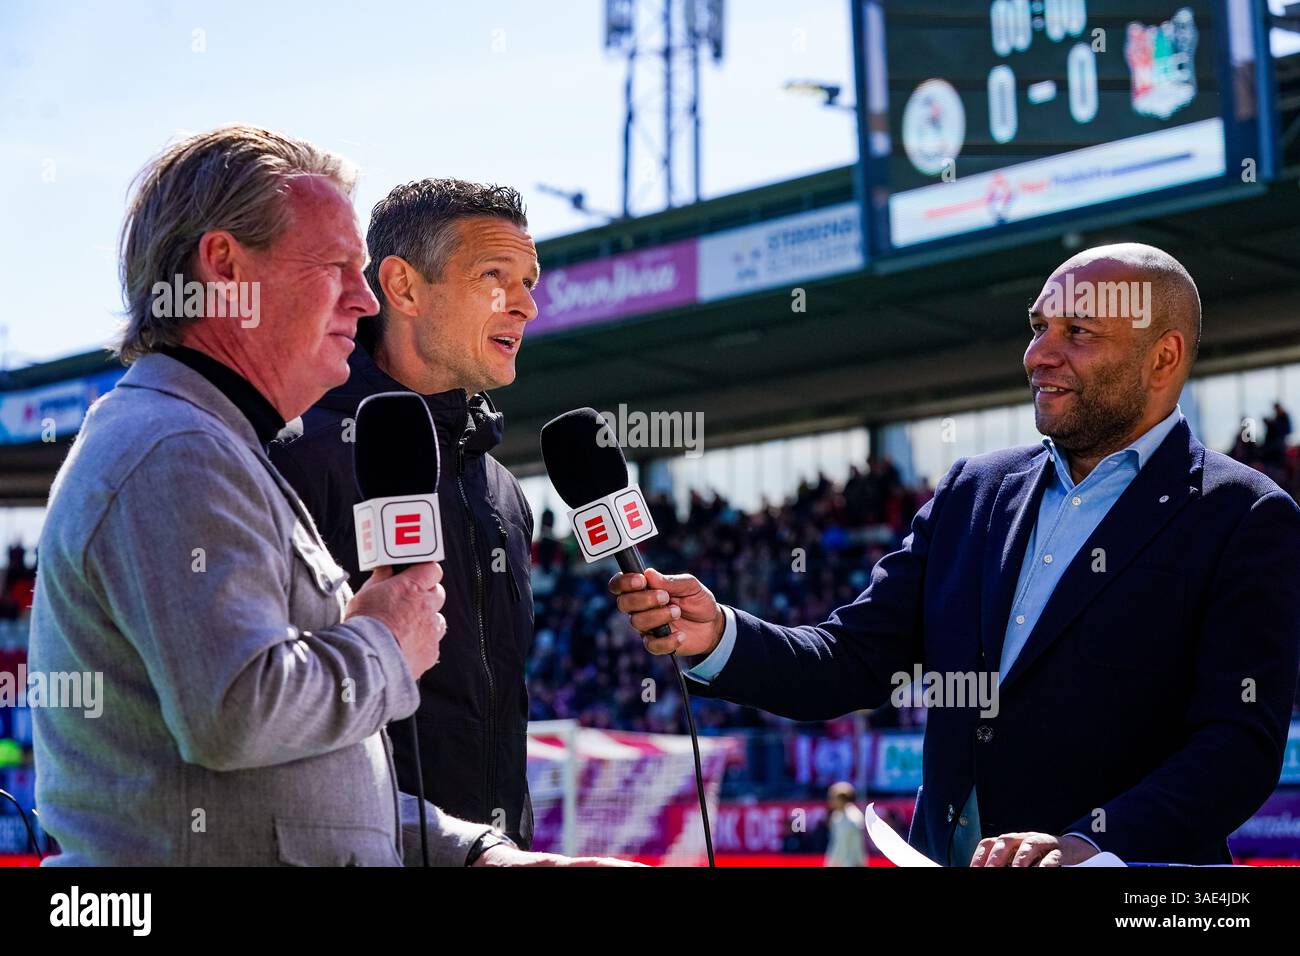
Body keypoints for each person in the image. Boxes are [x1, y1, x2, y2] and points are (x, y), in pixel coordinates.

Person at [31, 127, 625, 867]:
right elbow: (236, 718)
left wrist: (480, 856)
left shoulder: (215, 444)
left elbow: (313, 792)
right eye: (338, 266)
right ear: (224, 267)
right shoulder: (176, 448)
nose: (363, 296)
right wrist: (384, 643)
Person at [611, 243, 1300, 867]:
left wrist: (1090, 845)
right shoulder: (976, 491)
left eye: (1077, 333)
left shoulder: (1245, 516)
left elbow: (1237, 744)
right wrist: (720, 634)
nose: (1038, 354)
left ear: (1164, 357)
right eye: (1038, 328)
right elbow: (852, 660)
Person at [271, 179, 539, 847]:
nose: (528, 306)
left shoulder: (504, 490)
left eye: (530, 281)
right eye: (495, 277)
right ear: (405, 287)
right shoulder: (301, 454)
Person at [824, 781, 866, 867]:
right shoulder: (837, 816)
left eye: (832, 798)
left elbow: (841, 845)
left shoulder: (853, 818)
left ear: (841, 799)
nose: (830, 801)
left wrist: (832, 863)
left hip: (851, 863)